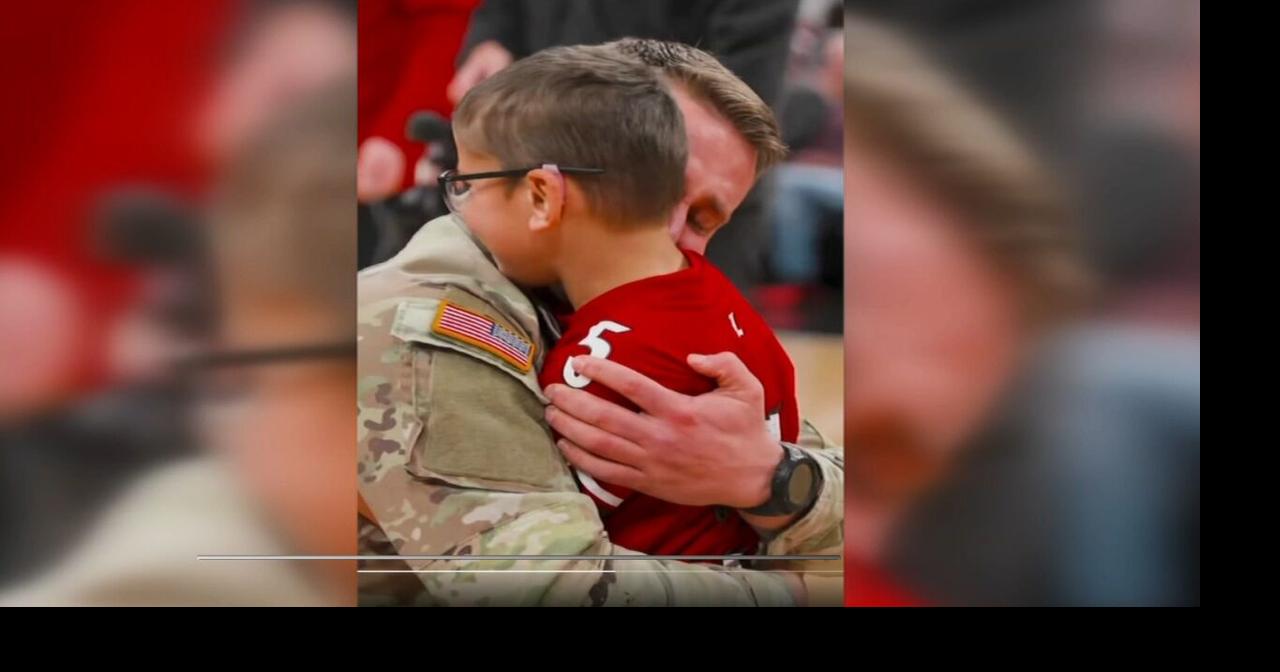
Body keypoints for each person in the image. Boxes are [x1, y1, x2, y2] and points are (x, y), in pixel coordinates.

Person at [358, 39, 843, 607]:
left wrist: (770, 479)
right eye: (654, 194)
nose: (672, 239)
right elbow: (547, 588)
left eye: (706, 220)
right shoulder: (427, 314)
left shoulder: (671, 308)